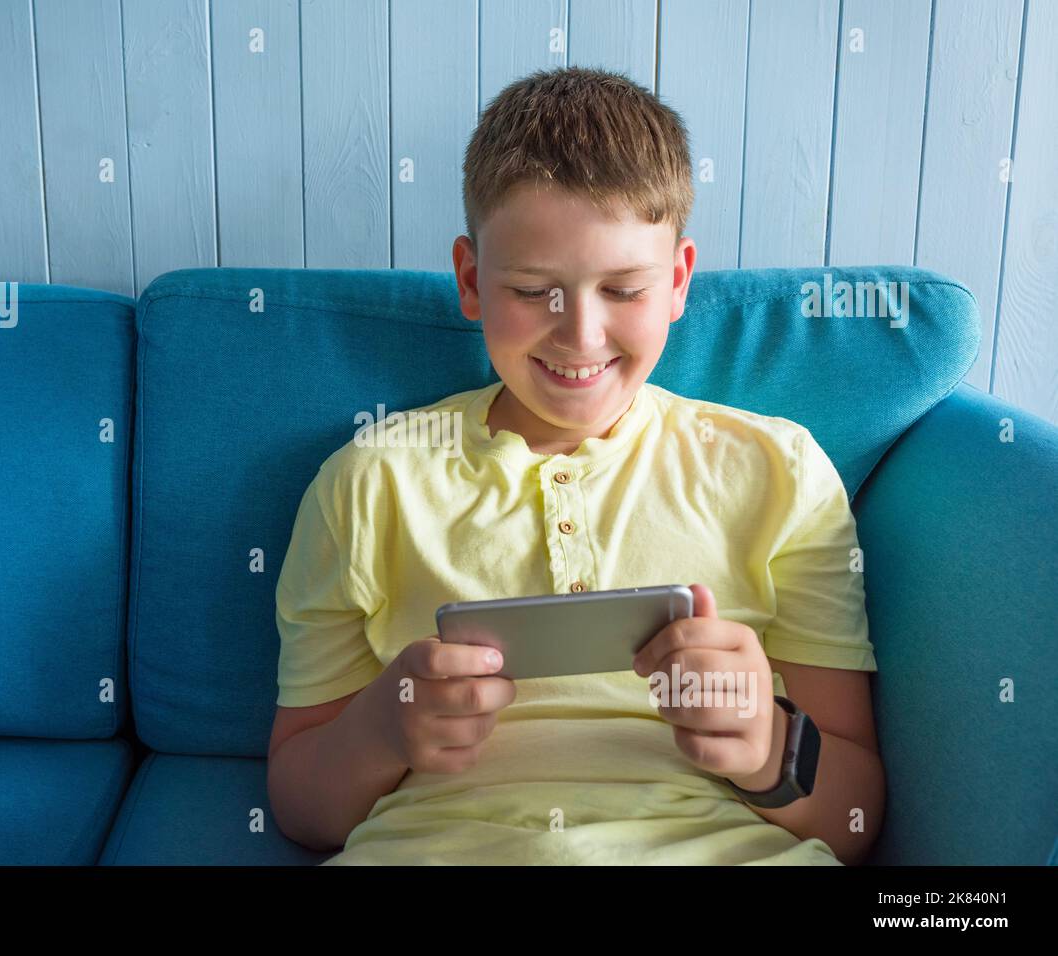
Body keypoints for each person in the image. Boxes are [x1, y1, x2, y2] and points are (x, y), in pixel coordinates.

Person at [266, 66, 883, 865]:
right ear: (469, 280)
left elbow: (857, 816)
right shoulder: (369, 481)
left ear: (677, 282)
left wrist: (766, 743)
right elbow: (300, 806)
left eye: (625, 289)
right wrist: (382, 727)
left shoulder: (779, 473)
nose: (581, 336)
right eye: (532, 289)